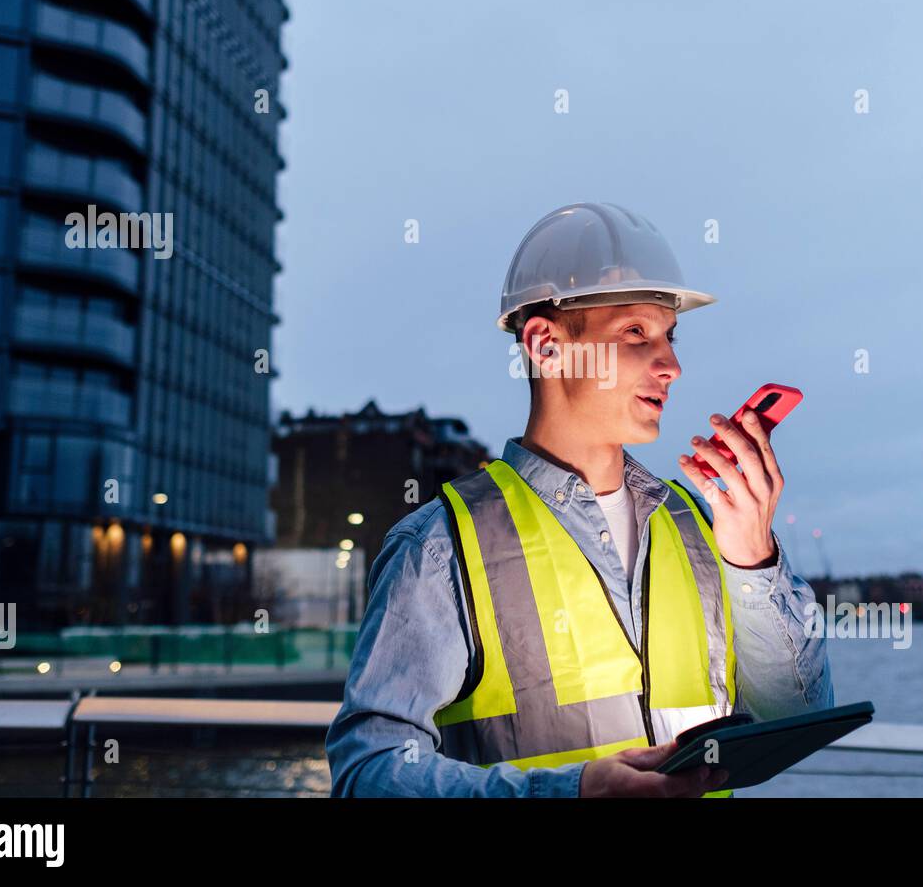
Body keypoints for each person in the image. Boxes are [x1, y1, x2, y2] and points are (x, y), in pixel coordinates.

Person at [326, 202, 834, 797]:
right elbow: (369, 775)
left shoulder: (701, 526)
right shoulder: (441, 547)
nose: (671, 364)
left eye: (670, 336)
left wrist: (753, 560)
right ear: (545, 345)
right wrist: (572, 792)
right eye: (635, 333)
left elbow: (791, 719)